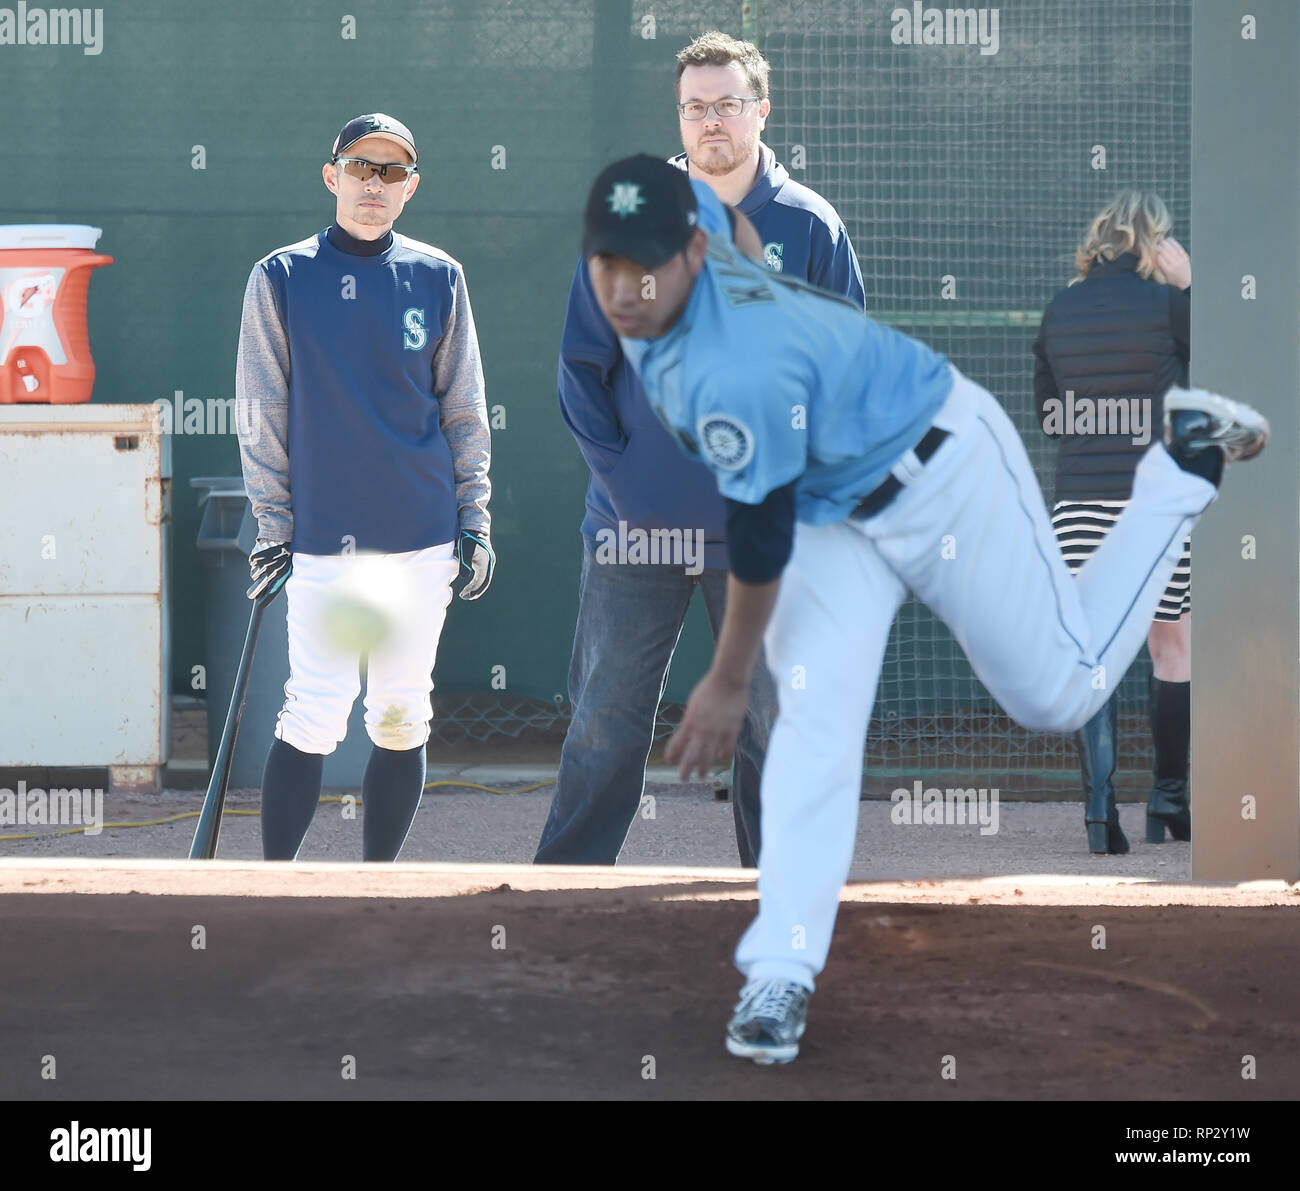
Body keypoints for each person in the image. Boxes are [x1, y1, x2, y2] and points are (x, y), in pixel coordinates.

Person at [579, 154, 1268, 1065]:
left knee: (1057, 694)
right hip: (834, 511)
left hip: (940, 466)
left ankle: (1177, 467)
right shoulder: (688, 230)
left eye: (650, 264)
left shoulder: (734, 371)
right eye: (607, 263)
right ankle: (778, 971)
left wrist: (726, 681)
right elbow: (734, 226)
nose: (626, 287)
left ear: (695, 254)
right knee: (814, 724)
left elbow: (758, 541)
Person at [535, 30, 864, 868]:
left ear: (762, 108)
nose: (709, 120)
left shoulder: (812, 226)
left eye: (725, 104)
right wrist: (628, 489)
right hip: (632, 528)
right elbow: (581, 367)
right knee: (605, 720)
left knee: (770, 724)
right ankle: (555, 901)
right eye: (693, 107)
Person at [235, 113, 493, 862]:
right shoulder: (280, 275)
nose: (372, 183)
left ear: (409, 187)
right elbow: (261, 412)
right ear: (332, 176)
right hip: (321, 536)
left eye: (390, 172)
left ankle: (378, 887)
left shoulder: (438, 275)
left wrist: (474, 518)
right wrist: (274, 525)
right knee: (313, 713)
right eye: (359, 167)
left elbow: (465, 406)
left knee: (402, 713)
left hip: (421, 533)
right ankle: (276, 888)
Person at [1036, 192, 1194, 853]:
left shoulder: (1058, 309)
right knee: (1172, 648)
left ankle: (1100, 811)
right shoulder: (1170, 304)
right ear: (1153, 243)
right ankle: (1168, 801)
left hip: (1078, 505)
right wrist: (1191, 287)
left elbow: (1049, 415)